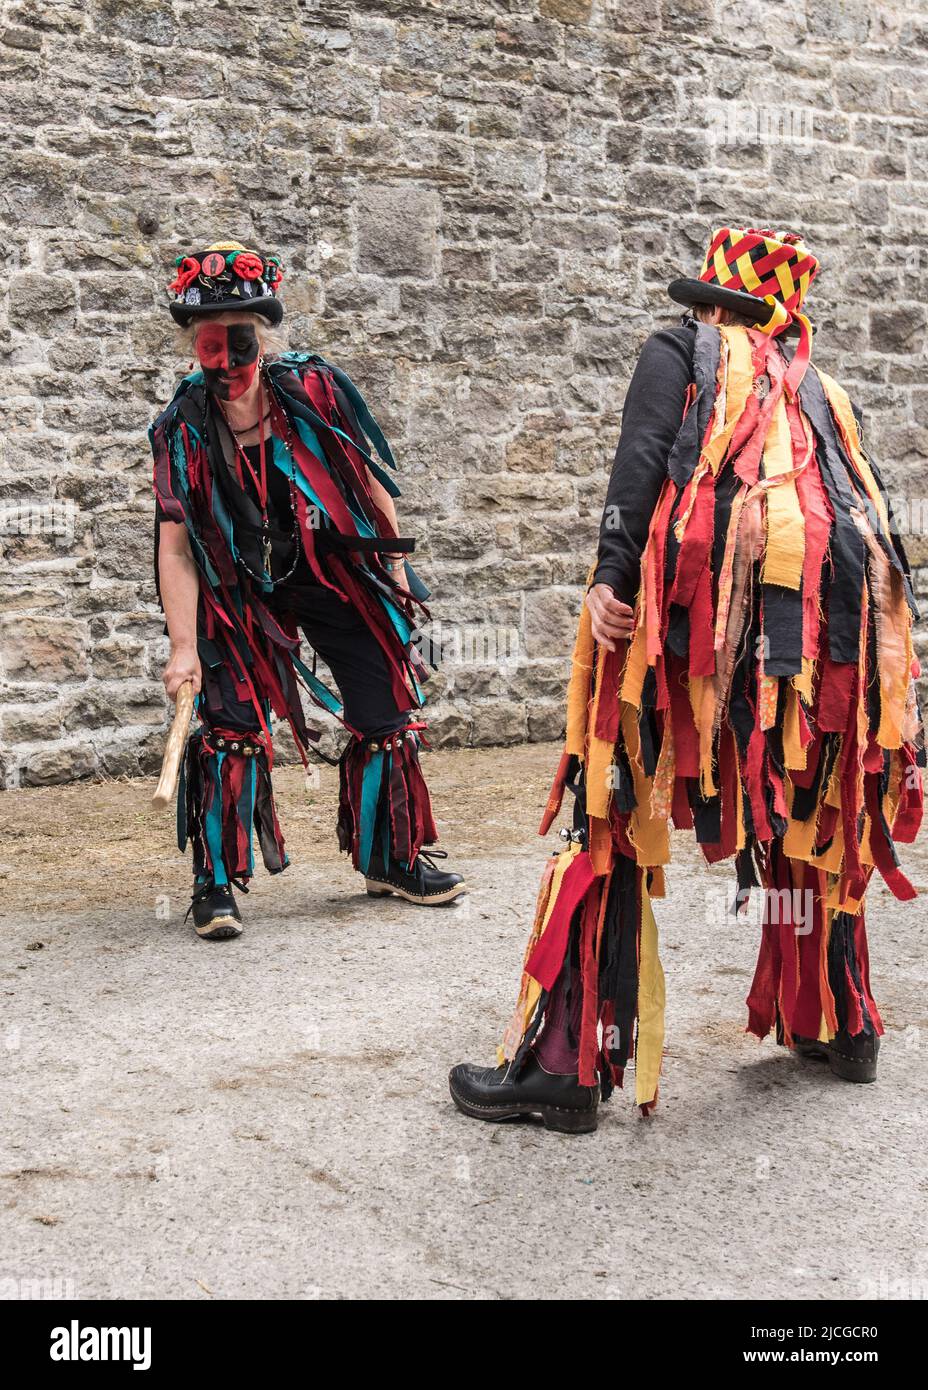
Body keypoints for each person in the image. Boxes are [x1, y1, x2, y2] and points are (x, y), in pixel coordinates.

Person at [449, 226, 924, 1133]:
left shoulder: (680, 349)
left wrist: (610, 575)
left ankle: (566, 1068)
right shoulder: (819, 388)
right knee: (809, 803)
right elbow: (866, 510)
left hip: (699, 613)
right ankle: (841, 1022)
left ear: (711, 302)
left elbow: (644, 460)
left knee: (617, 798)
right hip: (832, 623)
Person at [151, 240, 465, 940]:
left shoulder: (313, 394)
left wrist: (390, 578)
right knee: (229, 721)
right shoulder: (181, 432)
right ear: (193, 346)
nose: (228, 360)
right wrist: (182, 647)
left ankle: (392, 857)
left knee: (384, 702)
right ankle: (217, 881)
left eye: (241, 337)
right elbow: (175, 544)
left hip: (329, 571)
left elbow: (372, 486)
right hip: (238, 590)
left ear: (260, 336)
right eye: (211, 341)